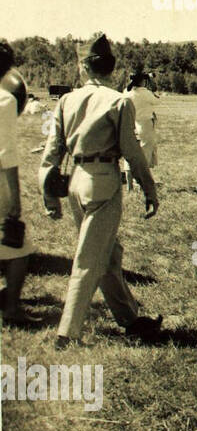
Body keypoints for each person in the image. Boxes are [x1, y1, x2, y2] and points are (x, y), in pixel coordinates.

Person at [40, 33, 161, 347]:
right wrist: (150, 190)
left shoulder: (66, 100)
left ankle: (130, 319)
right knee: (89, 259)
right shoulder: (118, 100)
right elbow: (132, 151)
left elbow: (51, 153)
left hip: (76, 183)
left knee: (108, 253)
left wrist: (48, 194)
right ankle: (67, 333)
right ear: (112, 68)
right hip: (103, 182)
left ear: (83, 67)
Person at [0, 41, 37, 326]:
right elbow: (7, 154)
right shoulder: (5, 100)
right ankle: (11, 308)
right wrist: (16, 199)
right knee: (19, 248)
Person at [123, 70, 160, 192]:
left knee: (130, 155)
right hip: (144, 125)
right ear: (143, 81)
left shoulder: (126, 92)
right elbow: (157, 100)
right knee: (144, 155)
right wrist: (152, 84)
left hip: (130, 124)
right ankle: (142, 184)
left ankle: (130, 186)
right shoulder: (145, 93)